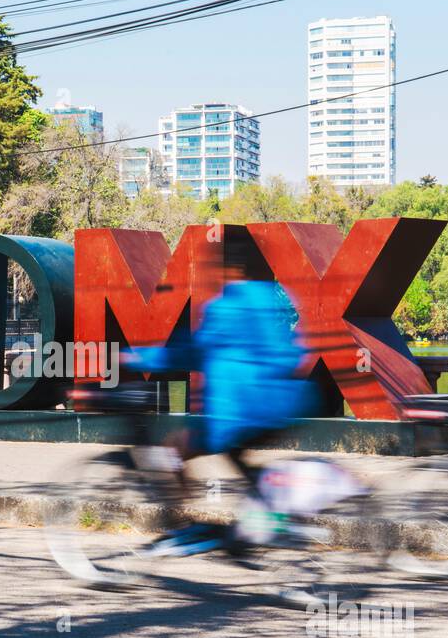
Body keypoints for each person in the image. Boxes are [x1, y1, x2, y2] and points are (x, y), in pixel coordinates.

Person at [124, 236, 316, 552]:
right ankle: (264, 520)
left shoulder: (225, 306)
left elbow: (190, 354)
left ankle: (184, 526)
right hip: (287, 401)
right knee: (239, 458)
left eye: (215, 266)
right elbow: (294, 352)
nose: (211, 273)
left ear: (231, 268)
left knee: (175, 448)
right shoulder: (276, 297)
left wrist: (136, 357)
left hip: (239, 412)